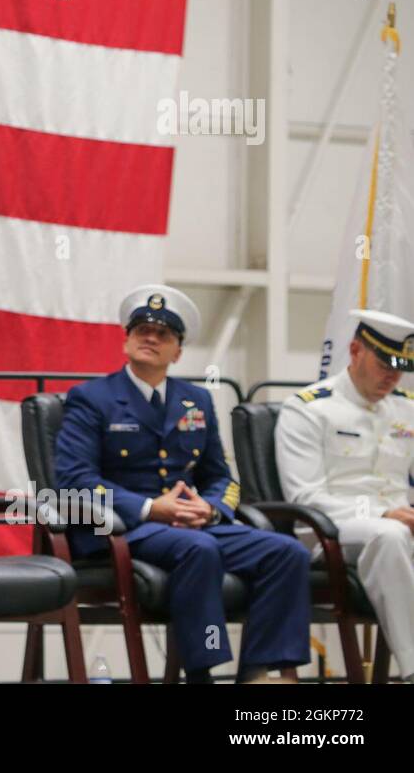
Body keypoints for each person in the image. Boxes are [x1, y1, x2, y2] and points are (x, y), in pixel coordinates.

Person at [55, 284, 312, 682]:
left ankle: (260, 672)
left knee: (286, 552)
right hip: (123, 528)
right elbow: (74, 481)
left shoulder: (196, 401)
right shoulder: (92, 398)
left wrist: (211, 507)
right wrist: (150, 508)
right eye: (142, 330)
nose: (151, 338)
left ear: (177, 352)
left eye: (164, 334)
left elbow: (220, 477)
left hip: (190, 524)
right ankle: (201, 671)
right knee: (200, 547)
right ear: (126, 341)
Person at [276, 308, 414, 682]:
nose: (393, 374)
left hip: (400, 526)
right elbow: (305, 496)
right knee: (390, 536)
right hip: (330, 531)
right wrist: (383, 514)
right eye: (384, 361)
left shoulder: (406, 408)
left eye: (401, 365)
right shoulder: (308, 409)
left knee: (396, 535)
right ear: (355, 350)